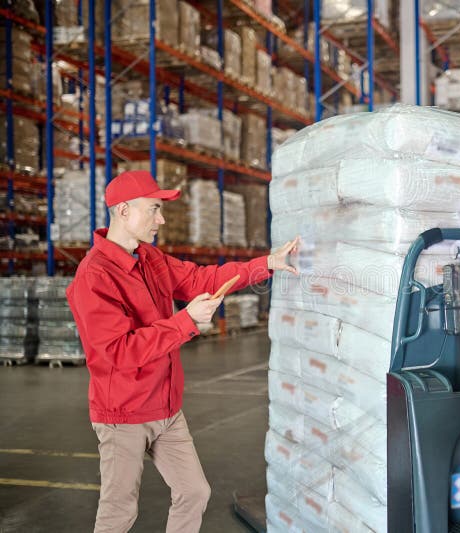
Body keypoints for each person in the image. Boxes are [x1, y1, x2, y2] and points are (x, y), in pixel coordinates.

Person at [66, 169, 299, 533]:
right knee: (119, 512)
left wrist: (265, 264)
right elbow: (118, 352)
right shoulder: (94, 276)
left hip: (165, 406)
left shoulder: (150, 258)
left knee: (194, 492)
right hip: (124, 413)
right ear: (124, 211)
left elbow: (200, 279)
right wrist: (186, 321)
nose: (160, 220)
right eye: (154, 209)